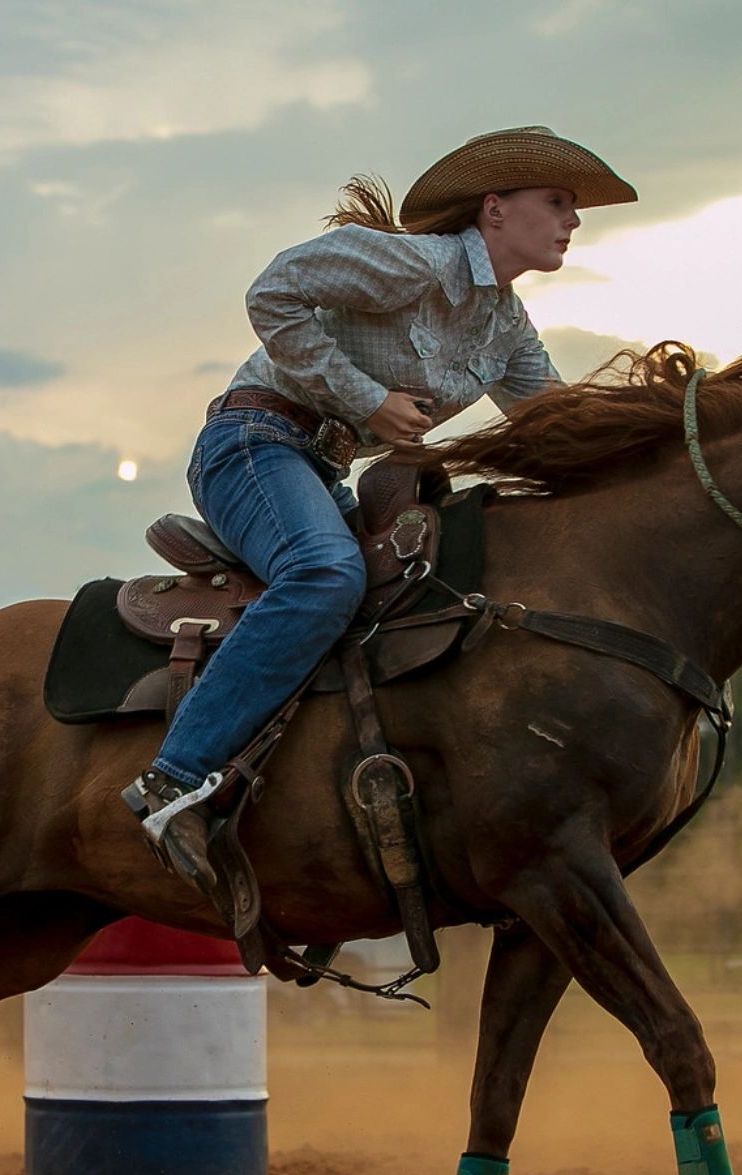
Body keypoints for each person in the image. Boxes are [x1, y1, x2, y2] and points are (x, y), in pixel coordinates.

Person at [122, 127, 637, 898]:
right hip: (253, 441)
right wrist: (368, 400)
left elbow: (556, 423)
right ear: (495, 210)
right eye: (557, 202)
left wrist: (669, 431)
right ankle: (172, 781)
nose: (574, 220)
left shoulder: (506, 327)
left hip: (316, 469)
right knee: (326, 574)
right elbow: (272, 292)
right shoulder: (417, 262)